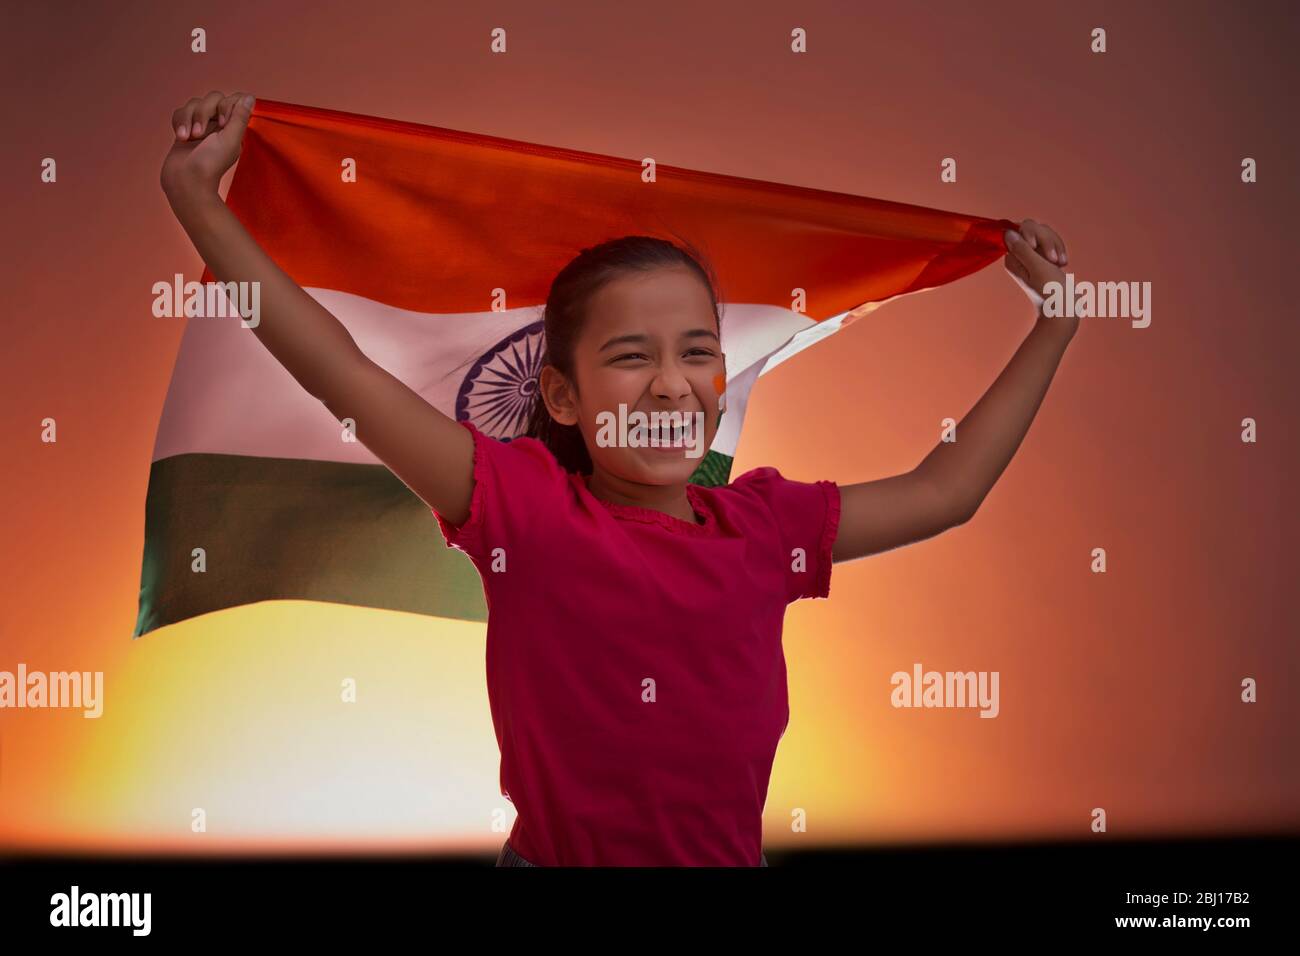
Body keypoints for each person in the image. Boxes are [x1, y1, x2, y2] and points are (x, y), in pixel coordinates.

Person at [161, 91, 1078, 867]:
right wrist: (202, 205)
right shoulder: (521, 509)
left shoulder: (765, 524)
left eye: (698, 353)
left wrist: (1055, 328)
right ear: (560, 394)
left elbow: (945, 492)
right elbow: (344, 373)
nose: (671, 381)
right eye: (631, 356)